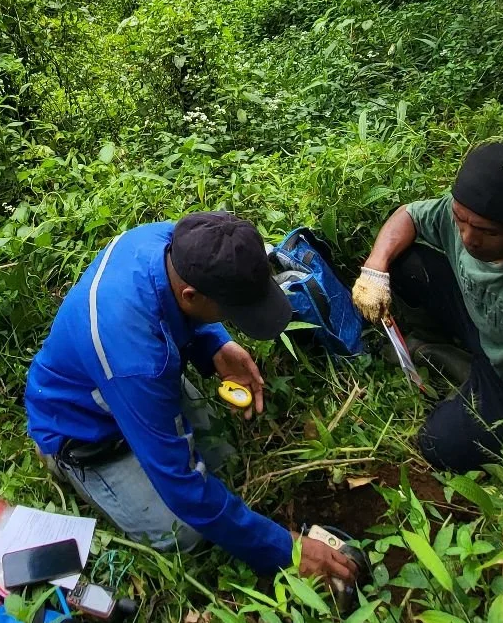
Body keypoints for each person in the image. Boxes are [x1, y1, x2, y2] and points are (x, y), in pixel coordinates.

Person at [25, 212, 359, 587]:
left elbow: (187, 306)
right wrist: (288, 549)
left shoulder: (172, 241)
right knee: (182, 532)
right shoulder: (137, 359)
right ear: (191, 296)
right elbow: (182, 486)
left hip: (133, 375)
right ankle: (62, 463)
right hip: (85, 427)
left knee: (224, 458)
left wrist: (217, 344)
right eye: (233, 313)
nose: (235, 319)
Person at [351, 141, 503, 471]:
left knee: (440, 446)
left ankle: (465, 369)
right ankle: (447, 348)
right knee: (402, 262)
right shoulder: (461, 217)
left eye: (487, 232)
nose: (468, 238)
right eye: (461, 220)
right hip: (476, 317)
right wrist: (375, 267)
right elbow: (408, 215)